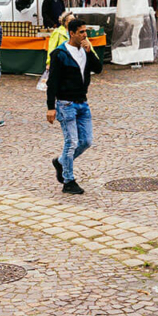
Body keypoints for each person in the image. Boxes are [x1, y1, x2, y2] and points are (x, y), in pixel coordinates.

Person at [47, 18, 102, 195]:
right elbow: (52, 82)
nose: (85, 35)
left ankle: (61, 162)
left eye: (86, 31)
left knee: (86, 141)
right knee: (71, 142)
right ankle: (68, 181)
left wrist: (89, 51)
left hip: (82, 102)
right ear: (72, 33)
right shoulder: (60, 54)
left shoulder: (85, 50)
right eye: (81, 32)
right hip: (65, 104)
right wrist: (50, 107)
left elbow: (98, 68)